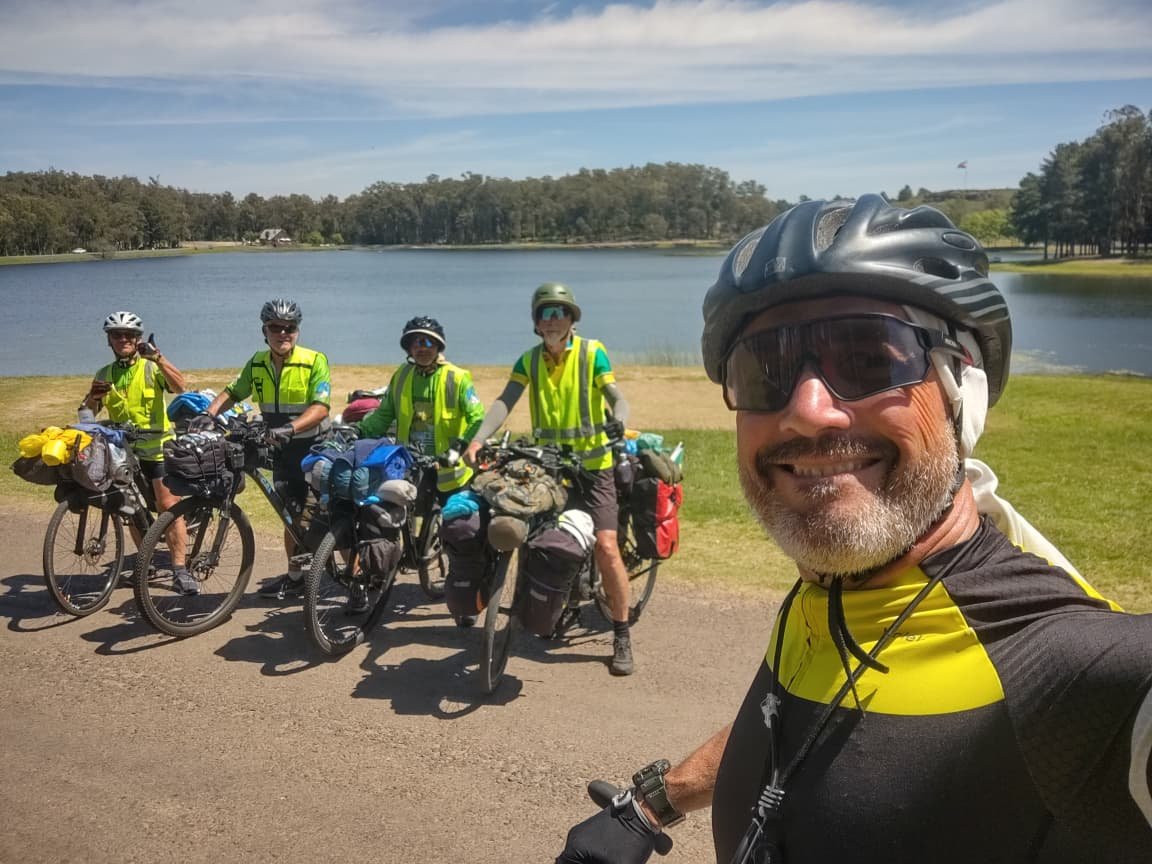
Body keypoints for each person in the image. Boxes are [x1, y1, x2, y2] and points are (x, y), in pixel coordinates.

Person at [556, 195, 1152, 862]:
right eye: (765, 371)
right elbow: (804, 721)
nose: (807, 412)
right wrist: (653, 802)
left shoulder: (1077, 670)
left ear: (963, 389)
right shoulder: (829, 592)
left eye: (870, 359)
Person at [463, 283, 636, 676]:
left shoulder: (593, 352)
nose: (553, 319)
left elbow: (617, 397)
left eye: (560, 312)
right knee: (530, 532)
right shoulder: (528, 360)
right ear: (537, 324)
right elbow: (505, 401)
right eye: (545, 313)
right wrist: (478, 439)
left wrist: (618, 421)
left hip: (594, 466)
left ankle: (621, 634)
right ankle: (541, 604)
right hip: (549, 467)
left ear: (573, 319)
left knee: (607, 547)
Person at [356, 316, 486, 621]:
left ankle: (464, 600)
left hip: (451, 471)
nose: (422, 347)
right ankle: (379, 571)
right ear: (408, 347)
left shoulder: (457, 377)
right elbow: (384, 413)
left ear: (438, 344)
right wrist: (359, 431)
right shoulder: (401, 376)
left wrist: (459, 446)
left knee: (459, 534)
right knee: (384, 514)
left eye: (427, 341)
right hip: (412, 464)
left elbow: (477, 417)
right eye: (416, 342)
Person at [204, 298, 331, 599]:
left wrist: (290, 428)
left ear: (297, 331)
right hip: (280, 448)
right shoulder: (258, 362)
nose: (283, 333)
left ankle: (351, 576)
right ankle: (295, 577)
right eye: (276, 327)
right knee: (289, 512)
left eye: (290, 328)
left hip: (312, 447)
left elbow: (321, 407)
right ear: (265, 330)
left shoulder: (314, 361)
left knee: (322, 515)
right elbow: (233, 392)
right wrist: (207, 415)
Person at [82, 311, 193, 593]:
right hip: (124, 452)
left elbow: (180, 386)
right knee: (129, 509)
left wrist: (158, 357)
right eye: (116, 335)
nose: (123, 339)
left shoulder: (150, 366)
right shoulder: (104, 374)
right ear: (109, 340)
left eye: (129, 335)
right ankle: (148, 565)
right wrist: (93, 399)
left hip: (157, 448)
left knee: (169, 507)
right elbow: (87, 414)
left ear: (138, 338)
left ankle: (180, 570)